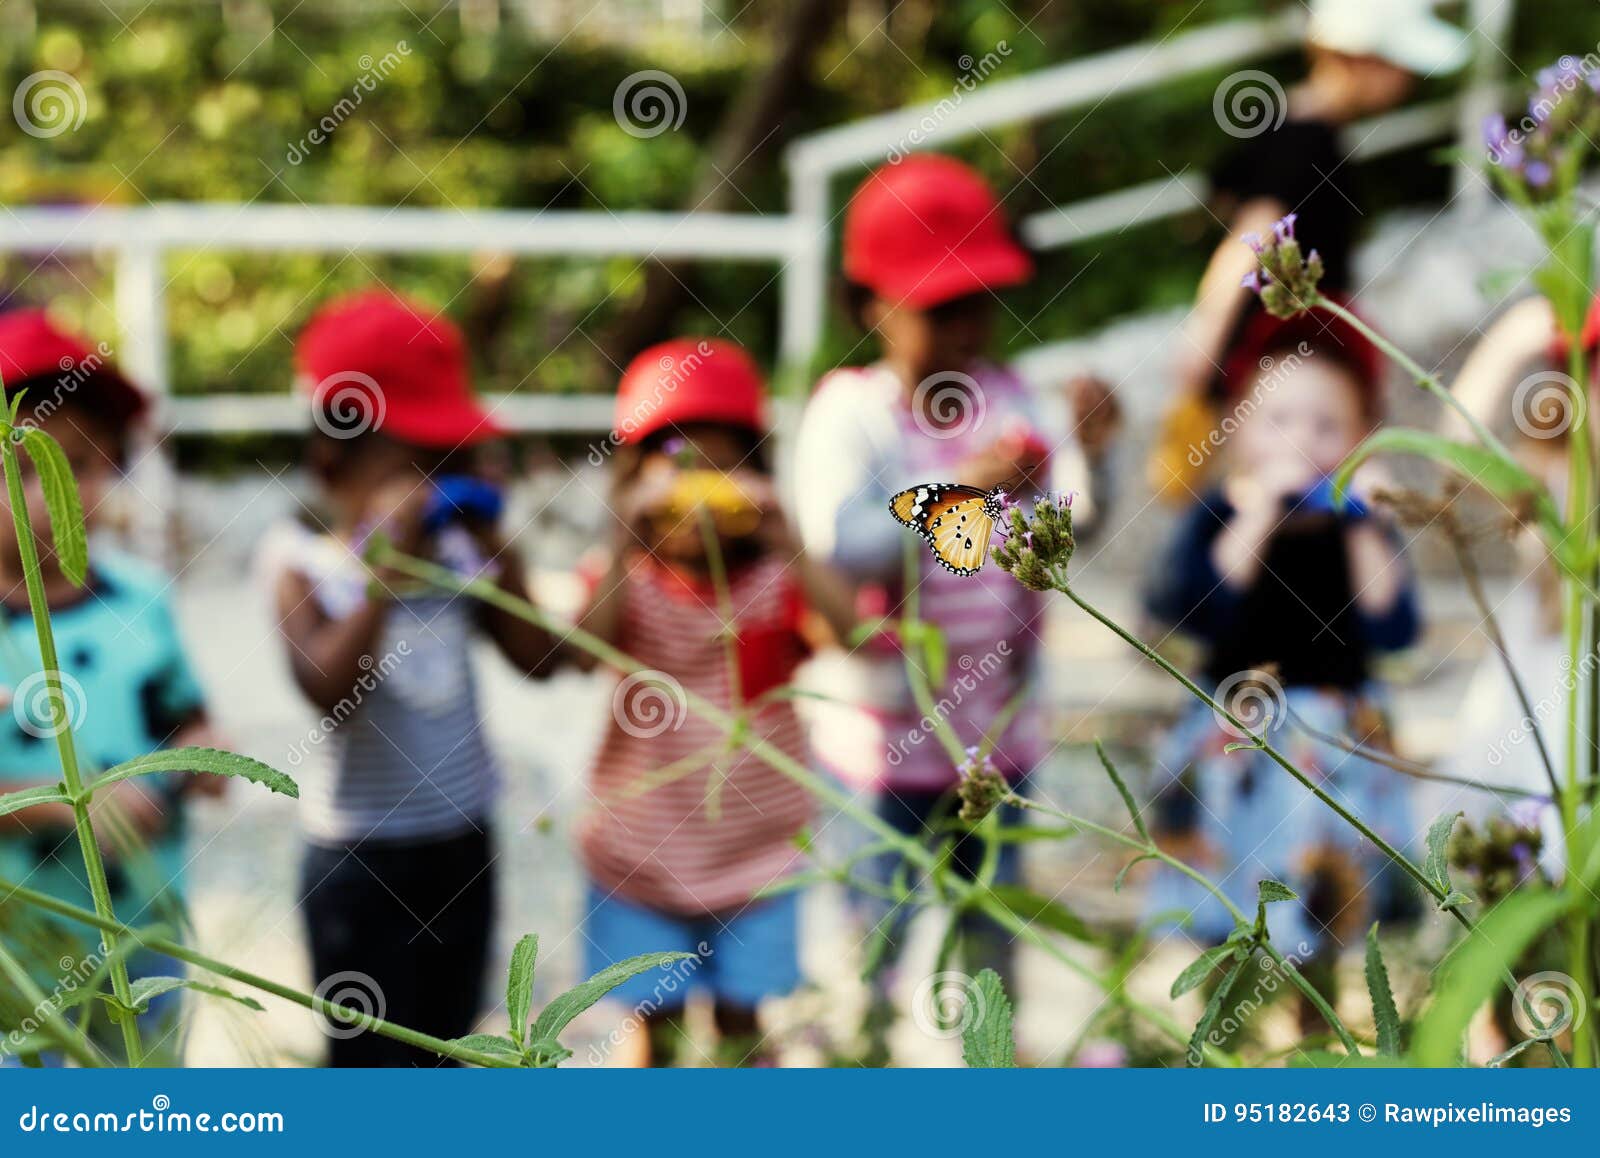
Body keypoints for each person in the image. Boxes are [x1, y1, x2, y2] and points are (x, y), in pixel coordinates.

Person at [790, 154, 1107, 1026]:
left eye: (976, 300)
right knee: (876, 937)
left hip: (997, 736)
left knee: (990, 938)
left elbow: (1071, 529)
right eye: (938, 305)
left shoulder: (1013, 400)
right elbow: (840, 548)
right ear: (871, 309)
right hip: (881, 743)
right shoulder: (851, 413)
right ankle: (869, 1051)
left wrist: (1088, 453)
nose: (965, 323)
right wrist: (961, 490)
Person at [261, 290, 559, 1066]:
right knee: (367, 1060)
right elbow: (327, 687)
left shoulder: (461, 553)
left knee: (451, 1043)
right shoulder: (299, 561)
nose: (434, 492)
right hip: (359, 861)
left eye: (450, 464)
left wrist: (503, 546)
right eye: (414, 467)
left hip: (461, 842)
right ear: (333, 463)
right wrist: (381, 577)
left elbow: (539, 658)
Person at [571, 338, 854, 1067]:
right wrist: (618, 536)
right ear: (634, 479)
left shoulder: (776, 582)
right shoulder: (626, 581)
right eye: (677, 465)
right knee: (652, 1034)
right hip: (641, 856)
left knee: (745, 1029)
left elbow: (853, 633)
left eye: (721, 465)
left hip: (757, 860)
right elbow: (580, 651)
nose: (699, 490)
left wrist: (791, 541)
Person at [1142, 308, 1421, 987]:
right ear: (1238, 431)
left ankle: (1312, 1009)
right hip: (1238, 738)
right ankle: (1226, 1016)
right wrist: (1257, 513)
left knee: (1326, 900)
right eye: (1279, 422)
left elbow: (1395, 627)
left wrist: (1366, 523)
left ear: (1362, 438)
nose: (1303, 441)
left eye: (1328, 427)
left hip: (1333, 740)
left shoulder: (1355, 531)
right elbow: (1191, 611)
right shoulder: (1223, 512)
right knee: (1226, 903)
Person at [0, 309, 219, 1062]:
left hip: (144, 930)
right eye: (22, 468)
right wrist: (63, 808)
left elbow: (189, 720)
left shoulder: (142, 599)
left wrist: (198, 761)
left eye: (81, 466)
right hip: (20, 961)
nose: (48, 496)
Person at [1149, 0, 1470, 500]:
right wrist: (1206, 337)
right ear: (1359, 58)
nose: (1406, 80)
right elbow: (1253, 235)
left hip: (1261, 358)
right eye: (1396, 64)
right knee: (1263, 494)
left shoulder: (1280, 122)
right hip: (1272, 361)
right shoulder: (1310, 142)